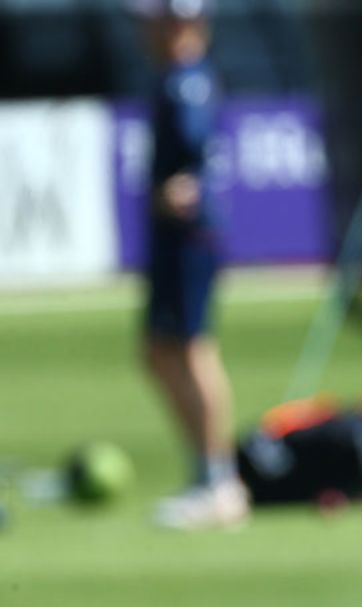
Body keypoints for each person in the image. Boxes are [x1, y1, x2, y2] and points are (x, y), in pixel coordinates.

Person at [134, 0, 247, 529]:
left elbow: (196, 153)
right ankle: (205, 471)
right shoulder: (176, 77)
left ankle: (218, 482)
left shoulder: (187, 80)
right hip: (176, 237)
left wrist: (181, 189)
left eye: (156, 19)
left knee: (191, 349)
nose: (146, 29)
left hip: (189, 236)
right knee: (158, 352)